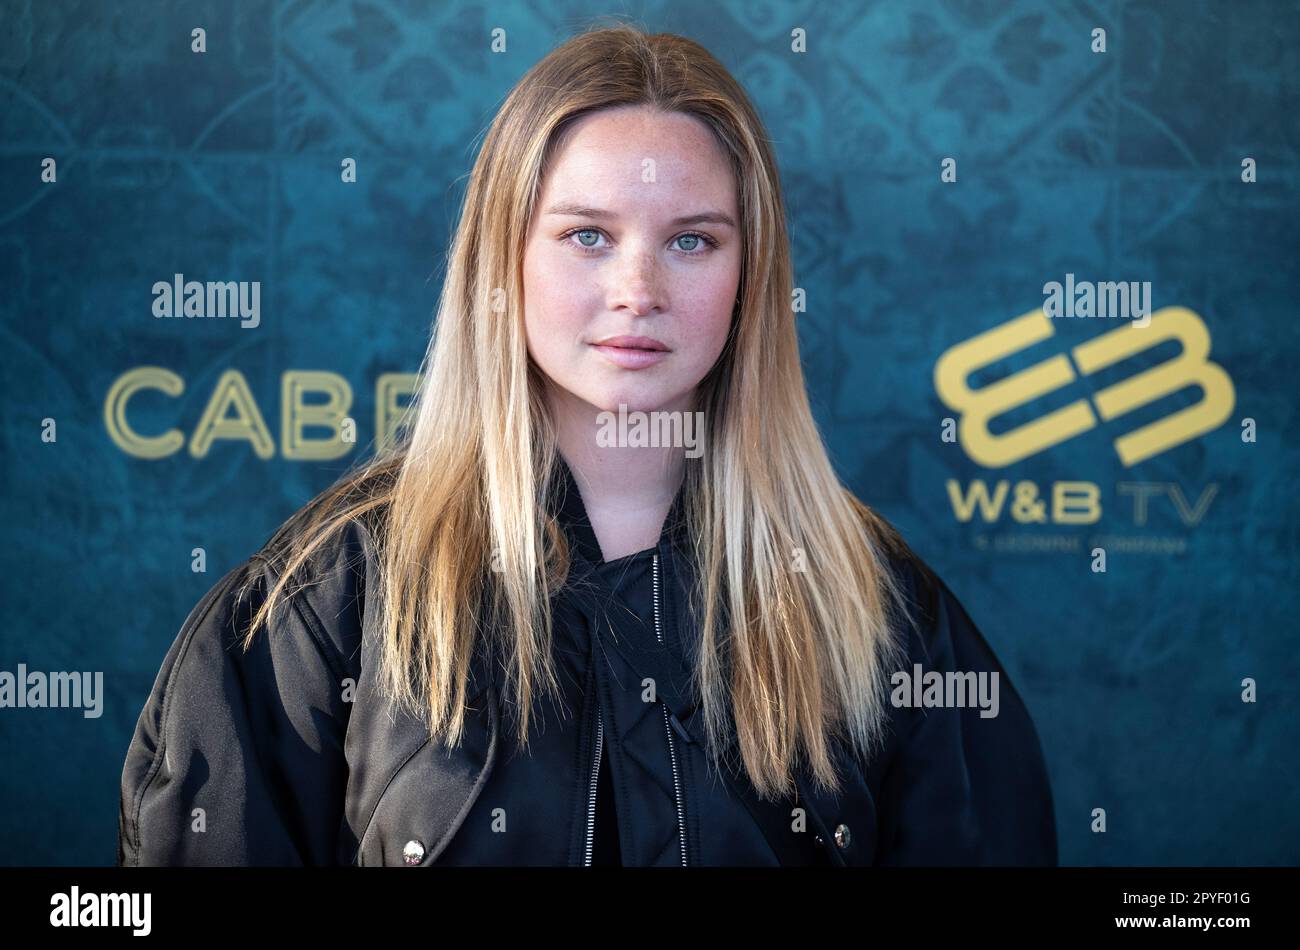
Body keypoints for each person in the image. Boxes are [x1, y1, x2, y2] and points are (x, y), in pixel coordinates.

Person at [117, 23, 1056, 867]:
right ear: (505, 255)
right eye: (587, 236)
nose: (637, 288)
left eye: (692, 242)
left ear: (750, 275)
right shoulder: (328, 598)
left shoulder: (880, 609)